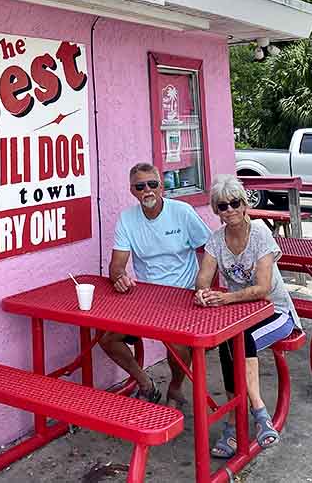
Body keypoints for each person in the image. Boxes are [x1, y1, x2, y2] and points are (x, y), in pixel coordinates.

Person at [195, 174, 301, 458]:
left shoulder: (261, 235)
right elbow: (203, 278)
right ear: (216, 211)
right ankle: (248, 416)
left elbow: (264, 289)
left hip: (277, 312)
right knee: (231, 341)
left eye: (234, 203)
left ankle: (250, 413)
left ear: (244, 205)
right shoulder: (216, 240)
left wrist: (226, 297)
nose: (229, 210)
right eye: (222, 206)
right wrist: (203, 292)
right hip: (239, 315)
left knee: (241, 339)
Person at [100, 162, 211, 406]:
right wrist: (119, 277)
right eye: (140, 186)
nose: (147, 190)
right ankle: (145, 383)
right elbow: (116, 265)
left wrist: (205, 287)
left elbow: (210, 251)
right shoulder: (127, 219)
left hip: (182, 295)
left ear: (162, 187)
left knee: (177, 346)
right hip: (146, 298)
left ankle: (175, 385)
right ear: (132, 191)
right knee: (108, 339)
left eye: (153, 184)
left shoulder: (182, 212)